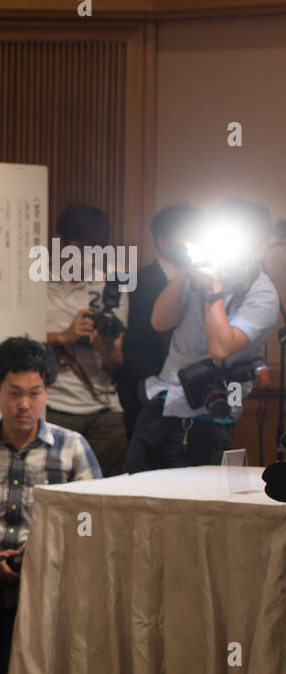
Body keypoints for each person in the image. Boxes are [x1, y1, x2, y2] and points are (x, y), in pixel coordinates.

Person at [0, 337, 101, 674]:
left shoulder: (72, 447)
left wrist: (40, 550)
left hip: (48, 582)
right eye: (14, 393)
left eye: (35, 392)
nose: (24, 405)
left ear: (48, 391)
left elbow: (92, 521)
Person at [124, 199, 282, 472]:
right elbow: (160, 321)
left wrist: (214, 289)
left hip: (209, 417)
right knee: (133, 503)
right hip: (160, 404)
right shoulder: (199, 271)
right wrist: (185, 269)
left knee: (187, 510)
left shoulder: (263, 294)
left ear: (259, 249)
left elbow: (221, 348)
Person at [43, 205, 129, 476]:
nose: (88, 259)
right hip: (55, 406)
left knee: (108, 496)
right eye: (81, 250)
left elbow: (117, 360)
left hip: (105, 408)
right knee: (55, 494)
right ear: (63, 245)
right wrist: (63, 337)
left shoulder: (112, 285)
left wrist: (106, 348)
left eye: (96, 251)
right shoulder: (38, 284)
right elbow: (13, 344)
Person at [117, 204, 201, 439]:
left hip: (200, 399)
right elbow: (132, 346)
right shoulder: (135, 283)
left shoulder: (210, 283)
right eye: (191, 236)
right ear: (165, 242)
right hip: (149, 400)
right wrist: (157, 393)